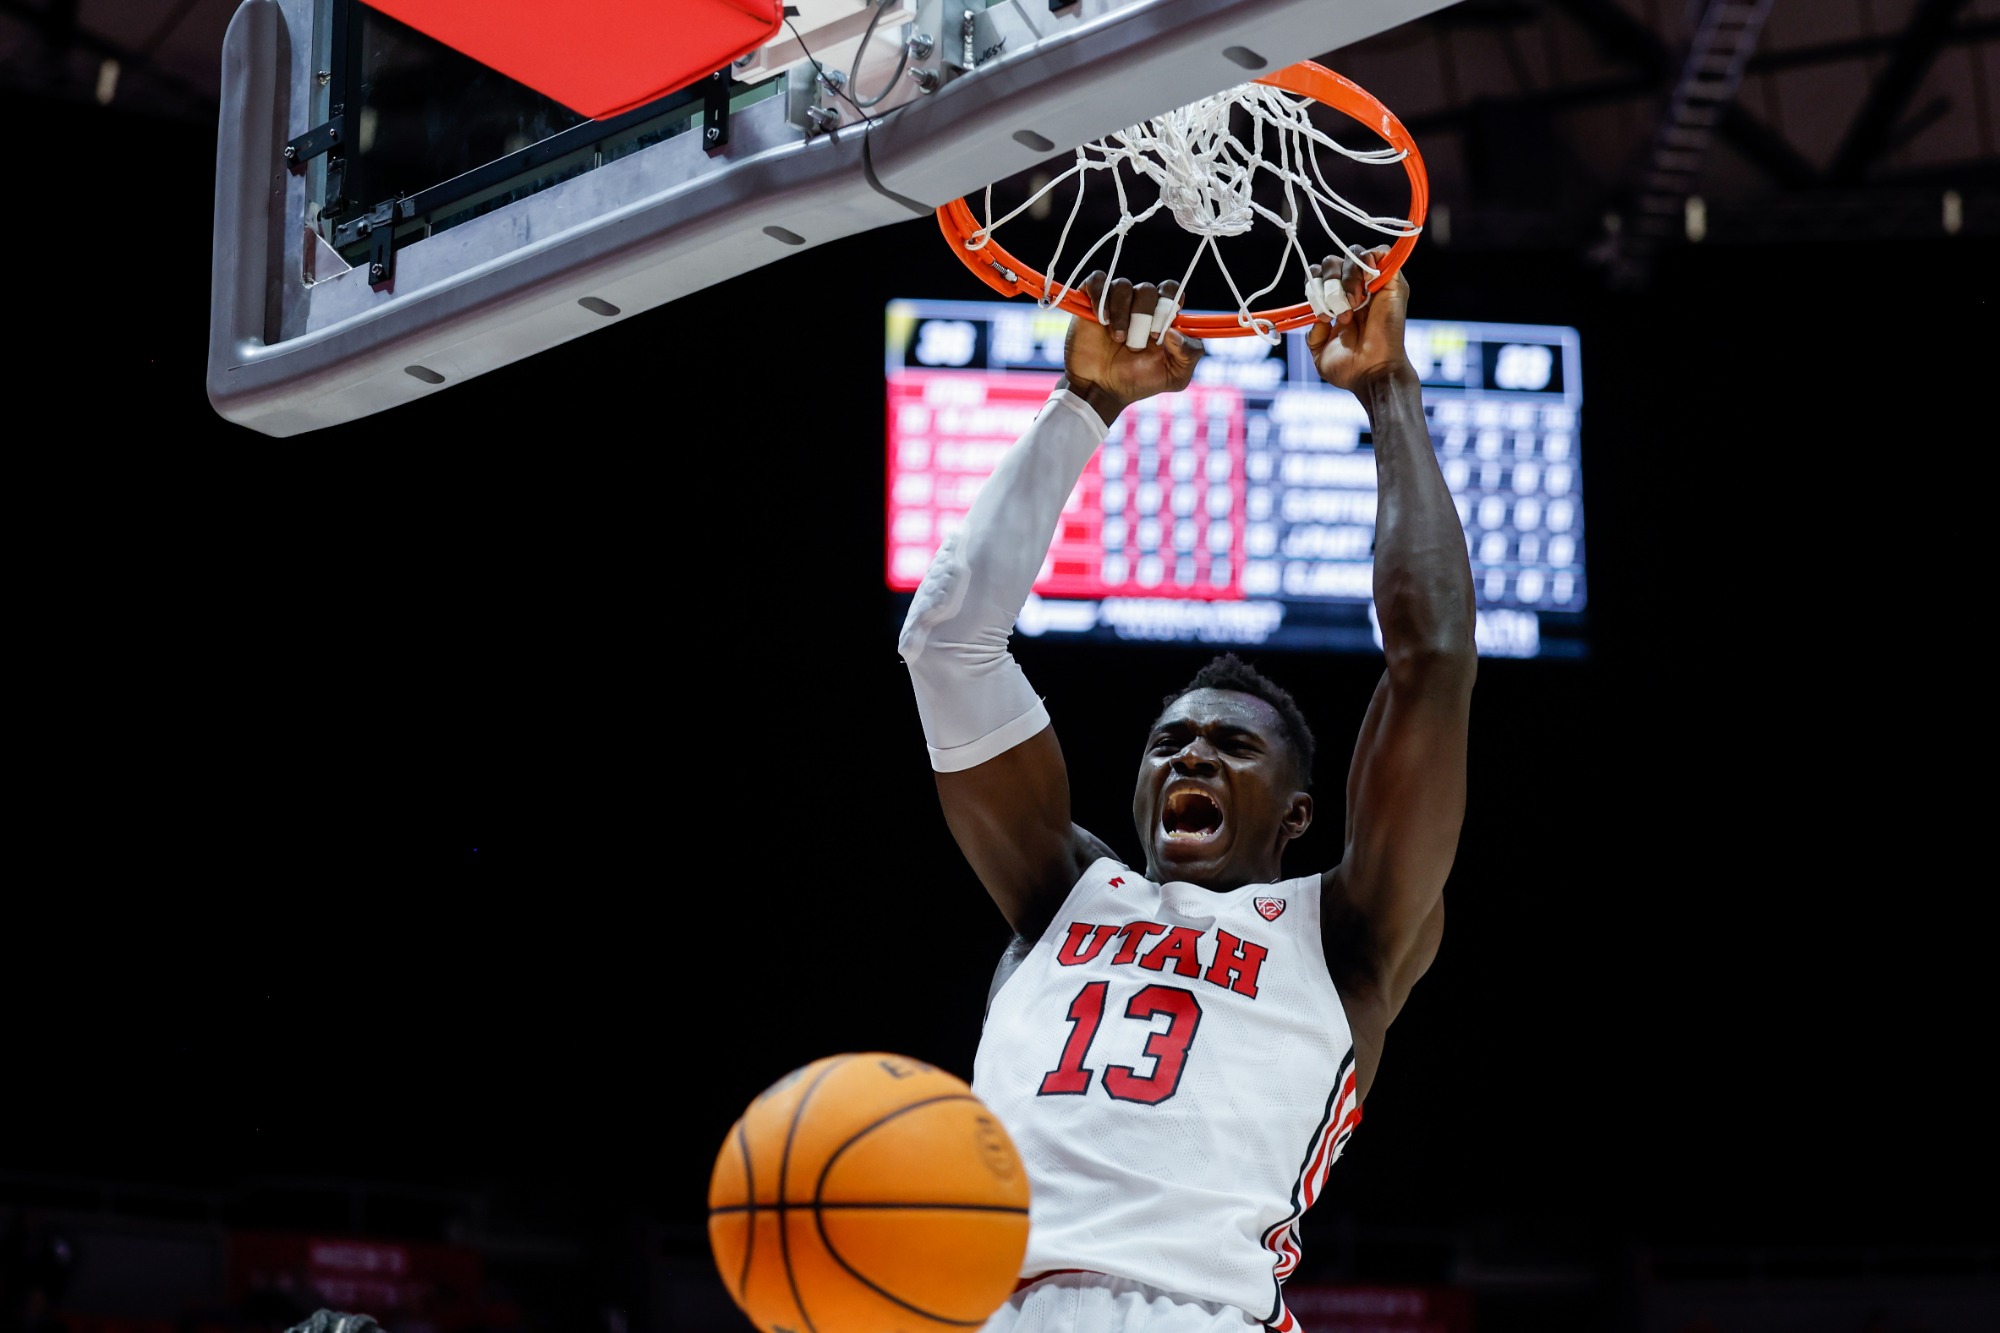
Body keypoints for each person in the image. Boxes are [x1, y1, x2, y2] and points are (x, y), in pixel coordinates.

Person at [896, 247, 1477, 1332]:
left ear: (1297, 814)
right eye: (1168, 743)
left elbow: (1430, 661)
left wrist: (1387, 392)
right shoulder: (1060, 891)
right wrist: (1083, 403)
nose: (1189, 757)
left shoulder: (1345, 927)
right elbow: (947, 644)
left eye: (1228, 746)